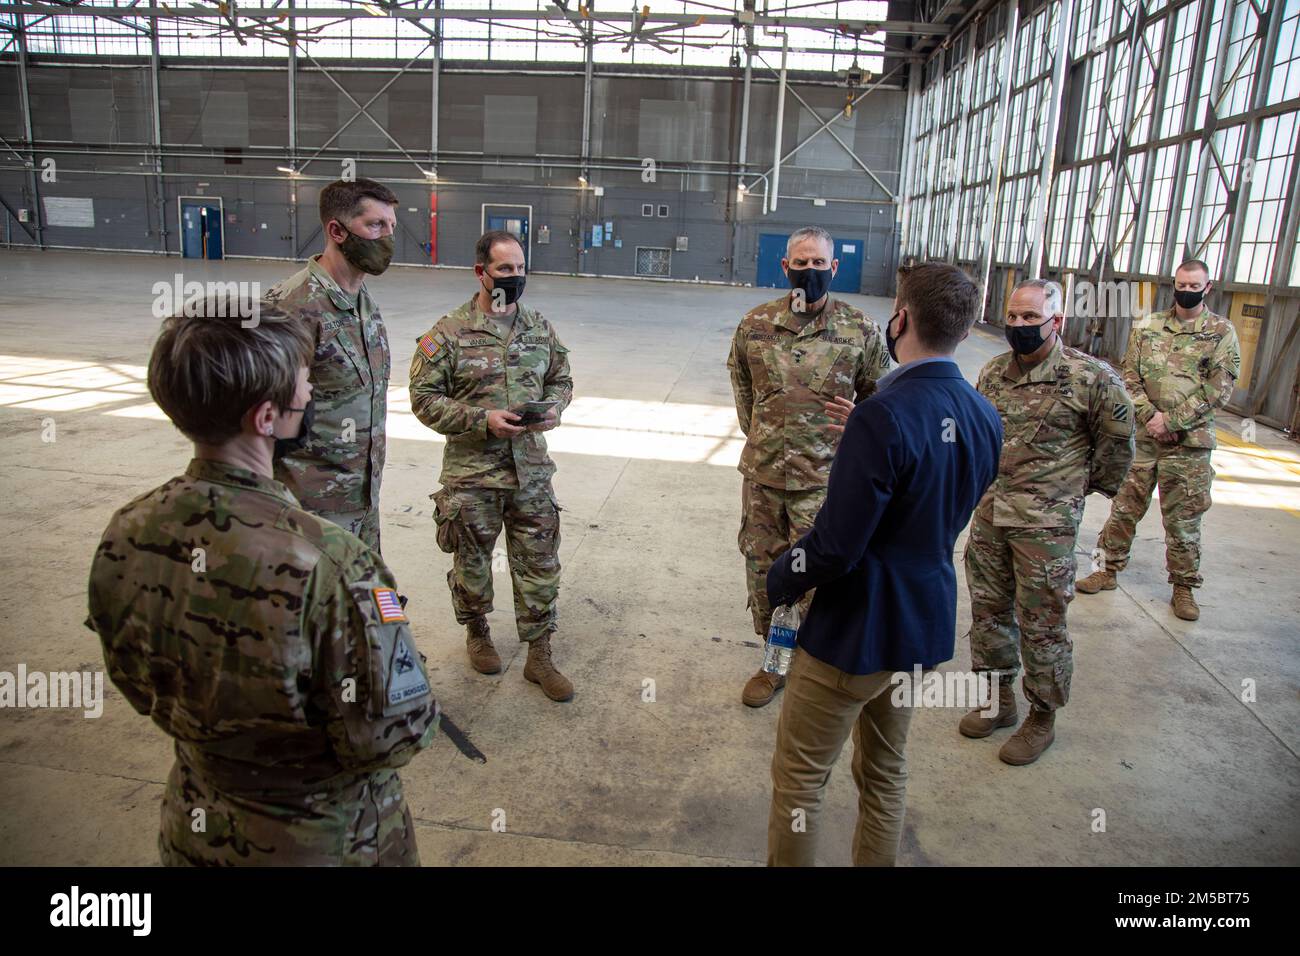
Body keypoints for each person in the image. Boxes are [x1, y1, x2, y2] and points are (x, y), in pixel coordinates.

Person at [85, 294, 438, 865]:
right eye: (303, 384)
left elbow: (134, 678)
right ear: (266, 417)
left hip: (196, 827)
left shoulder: (129, 530)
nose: (310, 395)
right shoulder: (333, 560)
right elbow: (395, 733)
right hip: (329, 842)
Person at [764, 262, 1002, 866]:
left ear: (901, 318)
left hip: (856, 628)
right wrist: (872, 432)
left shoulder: (883, 414)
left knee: (800, 780)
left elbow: (837, 546)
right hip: (920, 621)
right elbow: (933, 488)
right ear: (967, 331)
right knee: (886, 773)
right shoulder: (983, 412)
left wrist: (781, 576)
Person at [960, 279, 1135, 765]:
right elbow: (979, 438)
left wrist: (1071, 493)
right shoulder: (993, 372)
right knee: (990, 613)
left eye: (1029, 319)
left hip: (1047, 528)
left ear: (1055, 322)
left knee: (1042, 622)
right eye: (1013, 317)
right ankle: (1000, 701)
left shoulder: (1091, 378)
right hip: (992, 515)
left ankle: (1043, 717)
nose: (1018, 326)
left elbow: (1118, 449)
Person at [726, 225, 890, 708]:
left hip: (827, 483)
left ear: (834, 268)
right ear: (785, 266)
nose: (810, 271)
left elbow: (881, 401)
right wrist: (765, 437)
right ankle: (774, 663)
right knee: (766, 573)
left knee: (821, 578)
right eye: (801, 263)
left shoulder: (859, 329)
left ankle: (815, 670)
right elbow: (742, 391)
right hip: (763, 478)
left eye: (819, 263)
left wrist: (858, 429)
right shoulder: (754, 325)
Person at [409, 230, 575, 701]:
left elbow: (562, 377)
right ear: (481, 272)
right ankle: (477, 631)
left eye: (521, 269)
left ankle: (539, 654)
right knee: (473, 563)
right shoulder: (449, 332)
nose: (515, 277)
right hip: (472, 475)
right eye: (505, 269)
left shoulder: (538, 326)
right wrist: (481, 420)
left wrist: (553, 407)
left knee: (540, 563)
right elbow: (422, 399)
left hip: (531, 472)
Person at [1076, 259, 1241, 621]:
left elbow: (1220, 388)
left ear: (1207, 287)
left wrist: (1174, 420)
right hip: (1144, 437)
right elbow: (1128, 377)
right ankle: (1106, 569)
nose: (1187, 290)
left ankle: (1183, 587)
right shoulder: (1148, 326)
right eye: (1181, 283)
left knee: (1183, 521)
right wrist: (1152, 418)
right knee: (1123, 509)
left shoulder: (1221, 332)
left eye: (1194, 285)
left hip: (1190, 442)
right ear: (1174, 284)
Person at [265, 177, 399, 552]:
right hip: (309, 513)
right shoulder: (290, 308)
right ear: (336, 231)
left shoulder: (363, 302)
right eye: (375, 225)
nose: (387, 237)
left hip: (362, 502)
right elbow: (259, 424)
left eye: (391, 226)